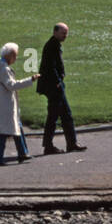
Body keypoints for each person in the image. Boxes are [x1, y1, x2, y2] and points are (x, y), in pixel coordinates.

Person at [0, 42, 34, 166]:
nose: (15, 59)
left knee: (17, 128)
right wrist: (30, 80)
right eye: (15, 56)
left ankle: (23, 153)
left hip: (1, 105)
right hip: (4, 107)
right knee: (1, 133)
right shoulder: (4, 69)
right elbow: (12, 85)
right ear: (9, 55)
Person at [36, 22, 87, 155]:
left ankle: (70, 143)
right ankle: (50, 146)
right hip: (54, 87)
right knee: (55, 116)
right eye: (63, 33)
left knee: (64, 115)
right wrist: (58, 82)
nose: (65, 35)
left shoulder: (53, 44)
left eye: (66, 33)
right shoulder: (52, 46)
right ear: (55, 32)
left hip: (54, 86)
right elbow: (50, 67)